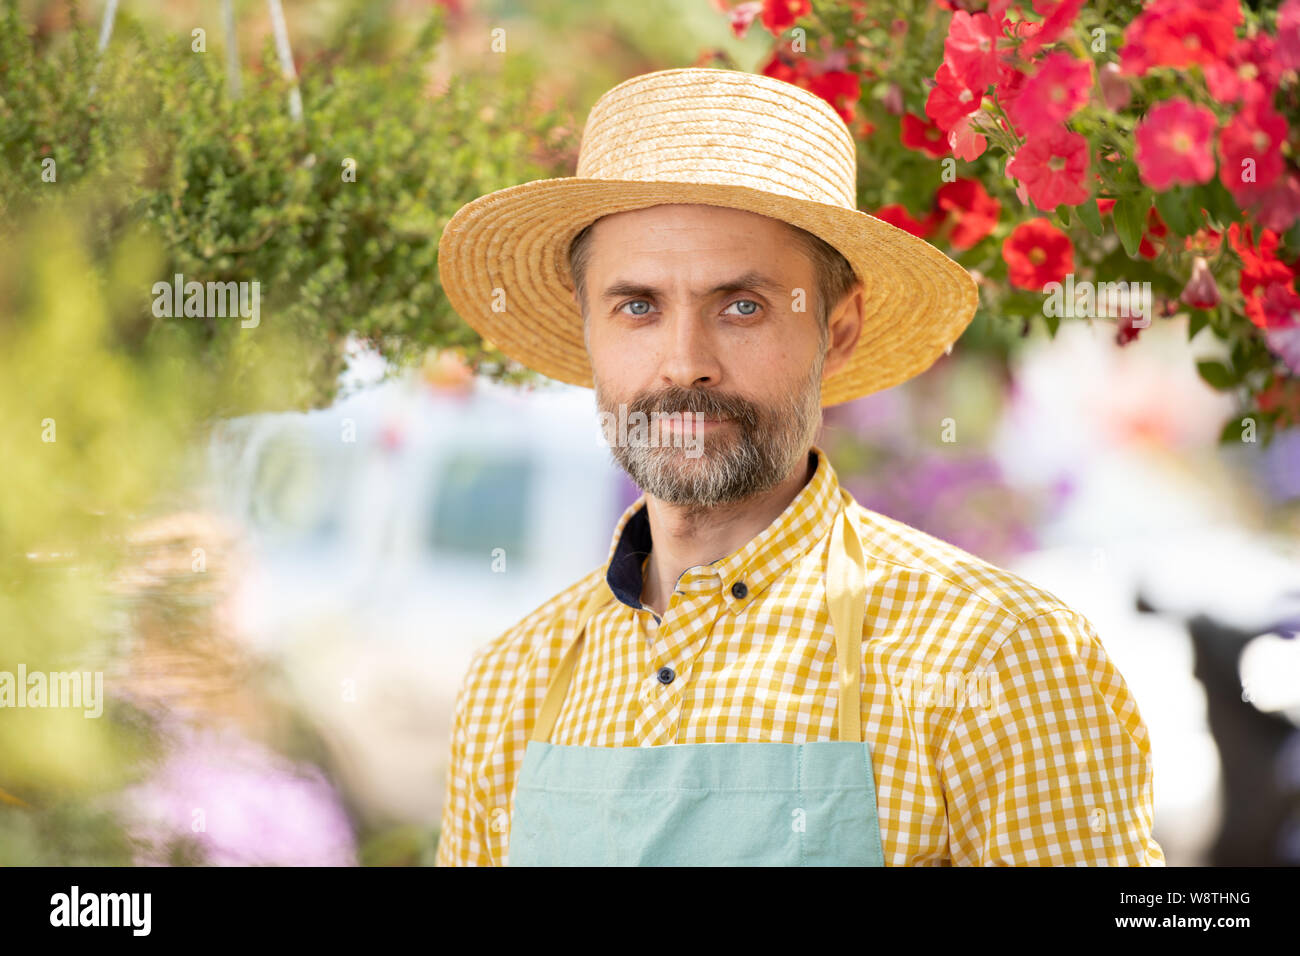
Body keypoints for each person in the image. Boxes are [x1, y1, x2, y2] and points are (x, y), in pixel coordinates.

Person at [433, 67, 1165, 866]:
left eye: (741, 305)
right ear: (589, 333)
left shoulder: (996, 657)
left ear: (838, 328)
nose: (684, 364)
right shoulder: (513, 682)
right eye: (637, 305)